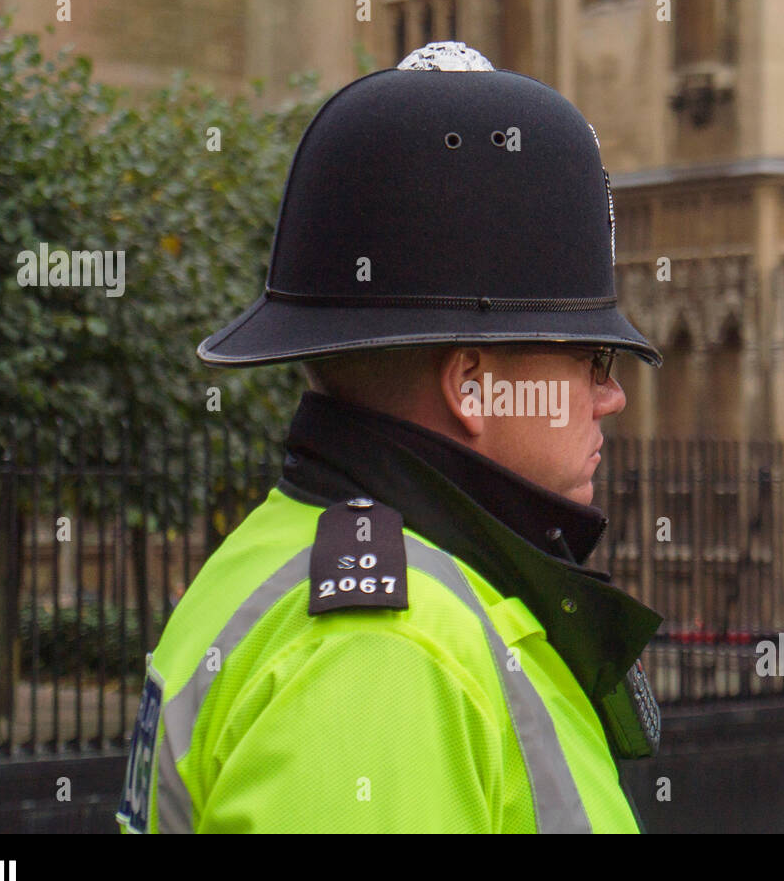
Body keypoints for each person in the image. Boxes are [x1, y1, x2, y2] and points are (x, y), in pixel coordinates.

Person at [116, 42, 663, 834]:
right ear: (471, 385)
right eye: (592, 358)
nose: (610, 396)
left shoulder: (279, 553)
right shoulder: (391, 653)